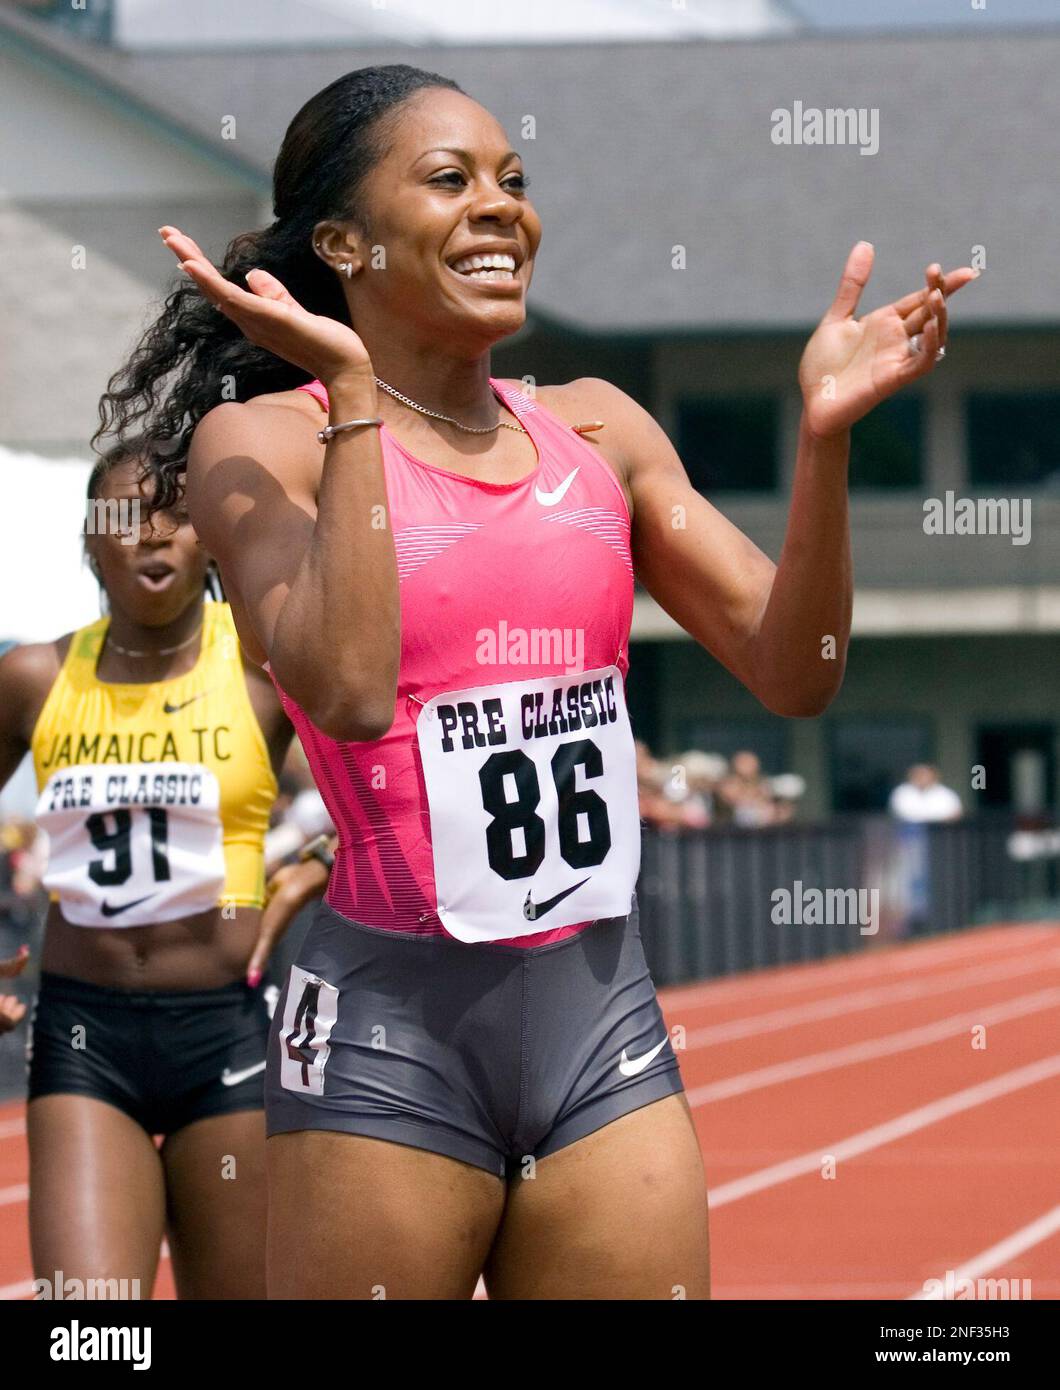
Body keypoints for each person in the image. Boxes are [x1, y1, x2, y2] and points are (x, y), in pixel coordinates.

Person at [97, 64, 973, 1299]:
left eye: (514, 181)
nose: (501, 206)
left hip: (600, 1019)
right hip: (386, 1032)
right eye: (451, 180)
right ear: (344, 241)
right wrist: (354, 399)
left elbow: (799, 672)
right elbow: (347, 691)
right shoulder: (265, 444)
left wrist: (822, 444)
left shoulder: (600, 427)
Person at [0, 447, 317, 1298]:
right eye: (124, 517)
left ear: (211, 543)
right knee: (92, 1328)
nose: (153, 536)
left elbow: (390, 775)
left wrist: (319, 861)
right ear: (89, 541)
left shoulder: (263, 671)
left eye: (178, 515)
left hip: (229, 1032)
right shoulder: (33, 678)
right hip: (83, 1037)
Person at [889, 763, 963, 823]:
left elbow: (955, 813)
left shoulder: (946, 793)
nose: (922, 777)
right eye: (919, 774)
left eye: (925, 774)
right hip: (909, 832)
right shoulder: (902, 792)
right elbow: (901, 813)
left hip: (940, 832)